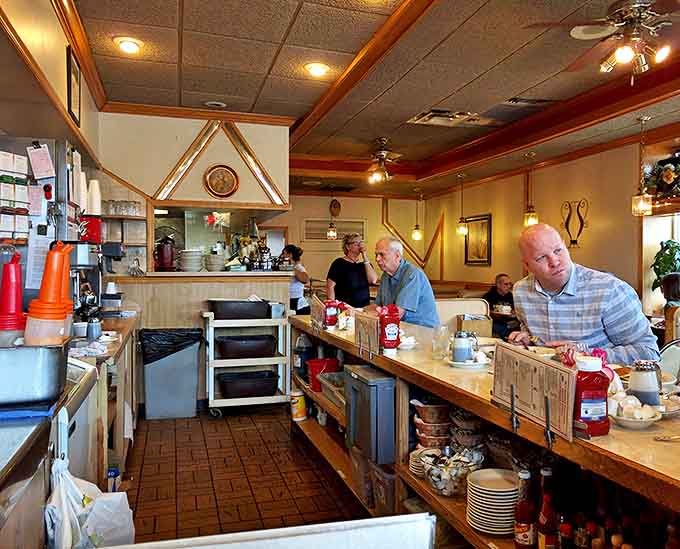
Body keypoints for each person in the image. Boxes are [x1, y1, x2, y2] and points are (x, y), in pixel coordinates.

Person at [509, 224, 659, 363]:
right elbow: (539, 342)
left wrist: (588, 355)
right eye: (541, 257)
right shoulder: (521, 291)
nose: (554, 262)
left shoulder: (610, 290)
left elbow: (649, 352)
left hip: (602, 385)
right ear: (527, 265)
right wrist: (527, 340)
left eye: (558, 250)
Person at [368, 236, 439, 328]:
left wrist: (364, 314)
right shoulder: (385, 275)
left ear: (397, 256)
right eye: (376, 254)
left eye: (382, 254)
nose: (377, 259)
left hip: (423, 331)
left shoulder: (412, 274)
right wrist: (357, 311)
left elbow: (396, 314)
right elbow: (376, 306)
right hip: (400, 329)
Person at [326, 233, 378, 307]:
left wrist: (365, 256)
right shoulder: (338, 263)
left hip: (363, 308)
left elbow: (373, 280)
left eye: (361, 243)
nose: (360, 246)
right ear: (347, 246)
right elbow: (330, 286)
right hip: (344, 307)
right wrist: (332, 306)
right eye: (357, 243)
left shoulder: (365, 264)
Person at [482, 273, 517, 338]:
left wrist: (514, 312)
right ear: (498, 285)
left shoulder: (510, 296)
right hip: (495, 322)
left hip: (510, 321)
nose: (509, 286)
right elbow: (484, 312)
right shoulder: (489, 296)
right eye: (506, 284)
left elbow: (515, 309)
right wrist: (495, 313)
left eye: (510, 284)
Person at [281, 244, 310, 315]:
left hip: (299, 305)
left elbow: (305, 279)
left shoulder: (298, 267)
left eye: (284, 254)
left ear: (290, 255)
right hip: (289, 301)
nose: (282, 256)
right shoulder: (288, 268)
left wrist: (292, 269)